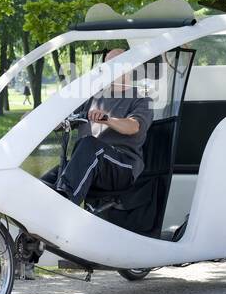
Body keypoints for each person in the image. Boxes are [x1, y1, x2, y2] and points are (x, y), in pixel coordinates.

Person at [42, 48, 153, 204]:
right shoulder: (93, 97)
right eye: (106, 65)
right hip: (89, 161)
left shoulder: (141, 99)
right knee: (43, 185)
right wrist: (41, 119)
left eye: (114, 64)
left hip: (123, 167)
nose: (108, 69)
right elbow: (64, 121)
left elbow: (134, 126)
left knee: (90, 145)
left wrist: (107, 119)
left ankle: (64, 205)